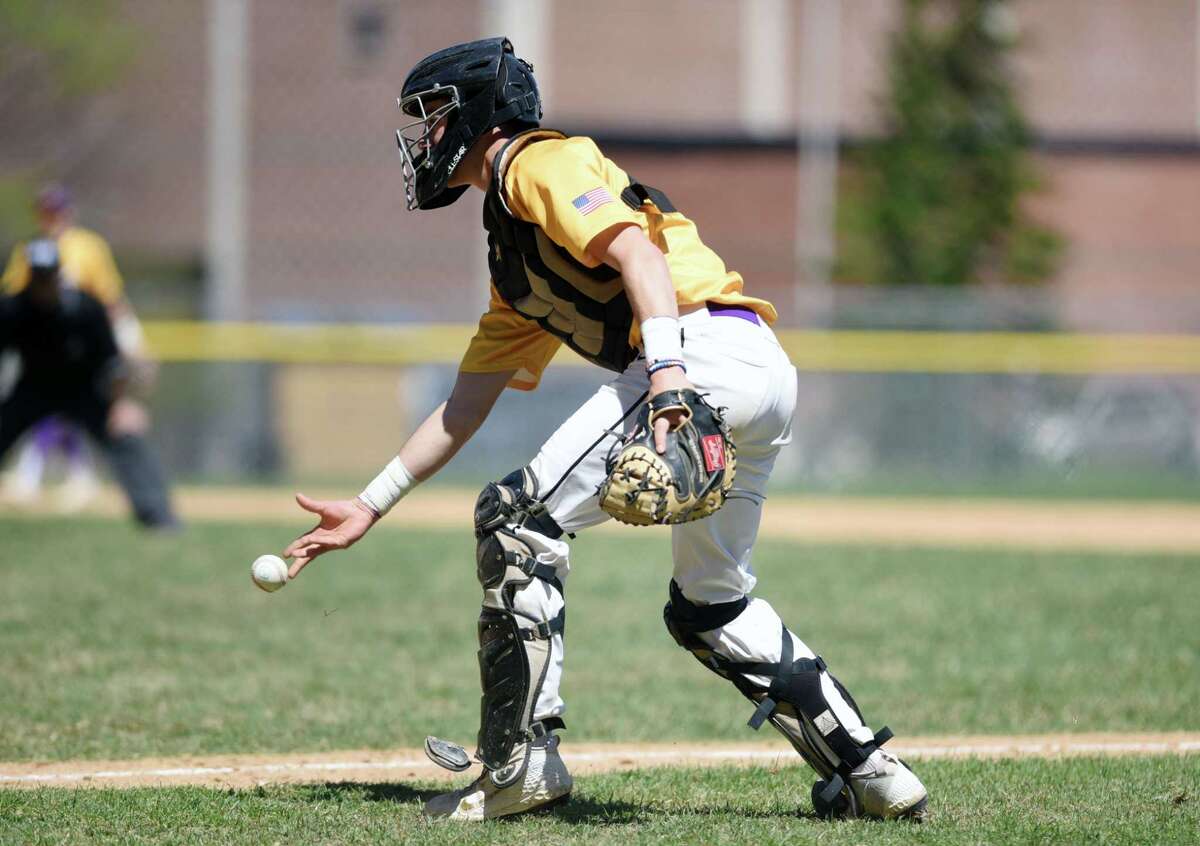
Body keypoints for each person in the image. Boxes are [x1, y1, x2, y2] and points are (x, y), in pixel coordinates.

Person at [282, 38, 928, 822]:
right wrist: (370, 503)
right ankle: (873, 773)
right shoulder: (514, 259)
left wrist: (666, 381)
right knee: (710, 606)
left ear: (482, 113)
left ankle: (520, 765)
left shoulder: (532, 164)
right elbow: (466, 403)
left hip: (694, 356)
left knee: (516, 519)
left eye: (434, 113)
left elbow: (636, 253)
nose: (424, 137)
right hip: (751, 367)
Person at [0, 239, 177, 529]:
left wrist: (119, 405)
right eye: (38, 276)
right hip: (33, 387)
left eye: (49, 276)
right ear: (30, 276)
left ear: (58, 275)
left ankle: (158, 516)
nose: (43, 284)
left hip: (85, 390)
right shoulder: (12, 309)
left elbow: (112, 364)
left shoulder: (86, 308)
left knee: (125, 435)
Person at [2, 185, 153, 510]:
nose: (52, 217)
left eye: (57, 210)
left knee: (91, 415)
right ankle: (37, 476)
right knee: (32, 410)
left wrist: (131, 338)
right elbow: (13, 299)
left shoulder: (88, 246)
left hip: (83, 345)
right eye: (46, 210)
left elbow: (110, 298)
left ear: (69, 212)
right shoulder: (28, 249)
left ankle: (75, 477)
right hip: (37, 346)